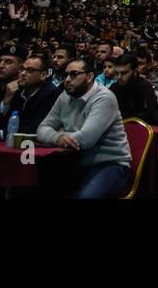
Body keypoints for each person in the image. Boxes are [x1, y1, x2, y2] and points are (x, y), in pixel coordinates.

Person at [37, 57, 133, 199]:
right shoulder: (64, 96)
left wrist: (58, 136)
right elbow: (42, 128)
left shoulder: (104, 98)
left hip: (109, 165)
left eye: (74, 74)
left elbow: (86, 140)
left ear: (89, 76)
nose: (67, 80)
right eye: (66, 75)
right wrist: (58, 137)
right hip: (74, 161)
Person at [3, 53, 63, 134]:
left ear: (43, 75)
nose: (23, 73)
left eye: (30, 70)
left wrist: (1, 133)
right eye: (22, 69)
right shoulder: (15, 90)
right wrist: (6, 101)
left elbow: (35, 127)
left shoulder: (52, 93)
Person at [110, 53, 158, 123]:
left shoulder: (145, 87)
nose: (119, 77)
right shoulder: (114, 88)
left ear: (135, 71)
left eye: (124, 73)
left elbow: (149, 114)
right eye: (117, 73)